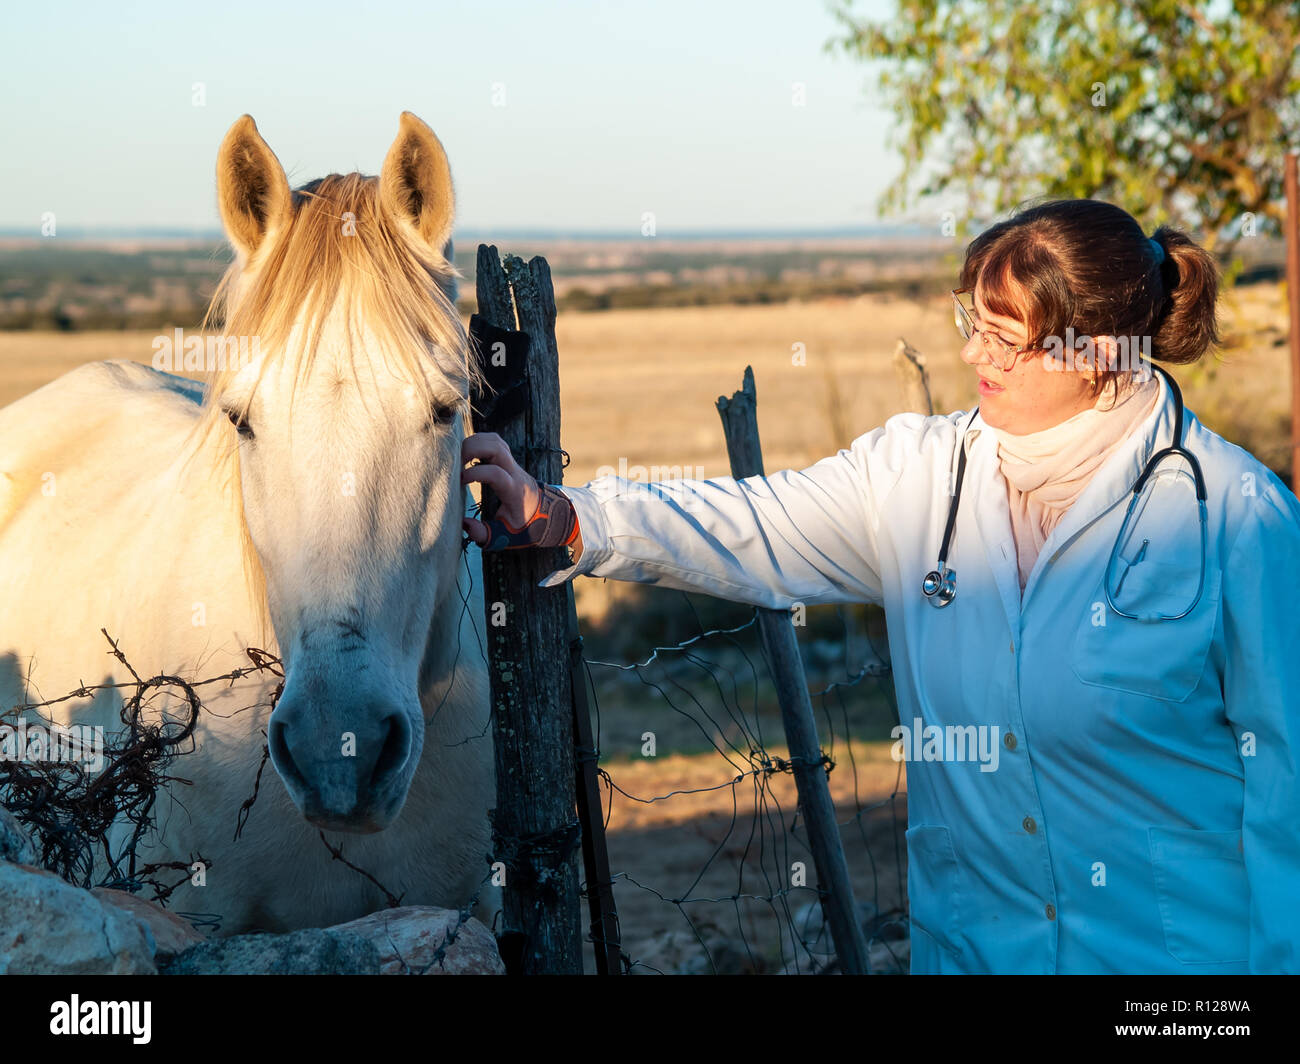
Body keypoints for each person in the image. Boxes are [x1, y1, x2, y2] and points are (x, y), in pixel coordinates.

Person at [460, 199, 1300, 975]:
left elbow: (1286, 797)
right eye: (971, 319)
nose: (973, 353)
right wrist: (567, 515)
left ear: (1099, 352)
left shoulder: (1239, 518)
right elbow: (751, 524)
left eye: (1005, 337)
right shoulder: (919, 474)